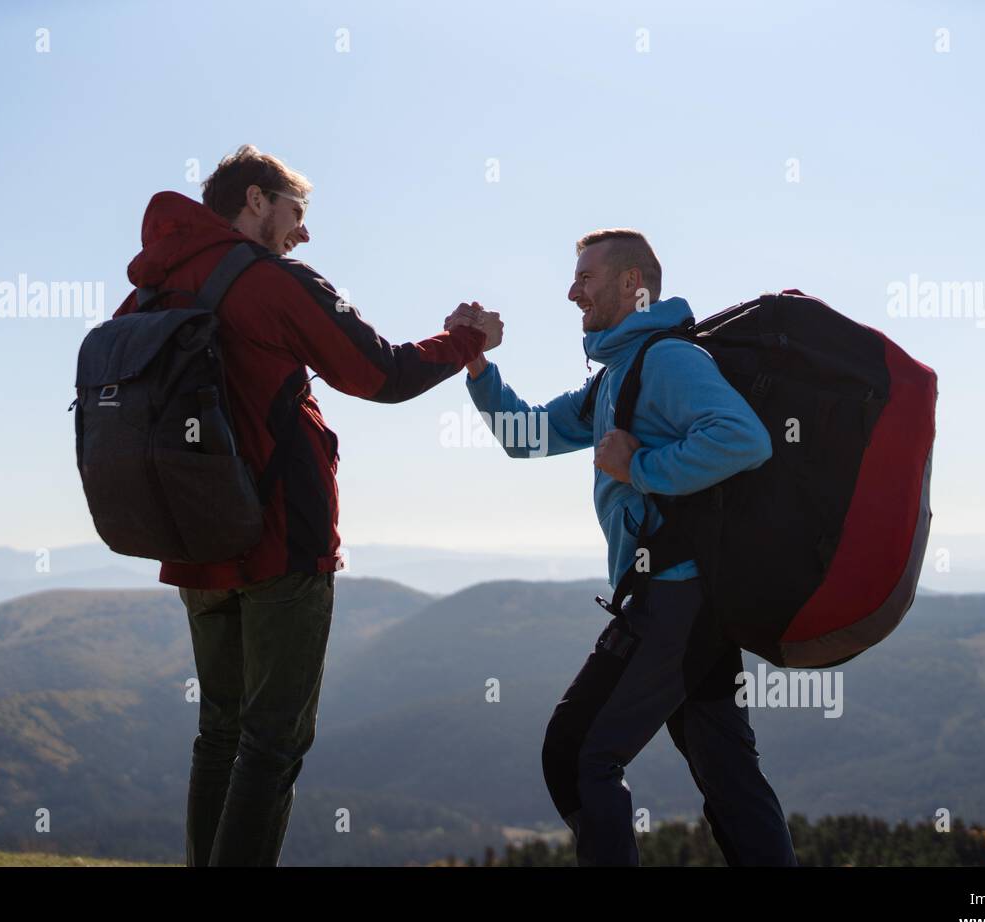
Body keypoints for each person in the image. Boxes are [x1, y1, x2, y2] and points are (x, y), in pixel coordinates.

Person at [112, 145, 500, 866]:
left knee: (219, 732)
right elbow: (379, 372)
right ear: (256, 200)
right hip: (281, 540)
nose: (304, 233)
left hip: (194, 546)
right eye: (297, 212)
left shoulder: (147, 294)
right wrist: (465, 339)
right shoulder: (265, 281)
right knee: (273, 742)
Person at [457, 229, 797, 866]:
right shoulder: (617, 375)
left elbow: (744, 440)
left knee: (577, 755)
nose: (571, 291)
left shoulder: (666, 361)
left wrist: (640, 467)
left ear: (631, 283)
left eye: (585, 278)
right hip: (693, 602)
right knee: (729, 778)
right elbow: (525, 435)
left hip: (675, 598)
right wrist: (476, 365)